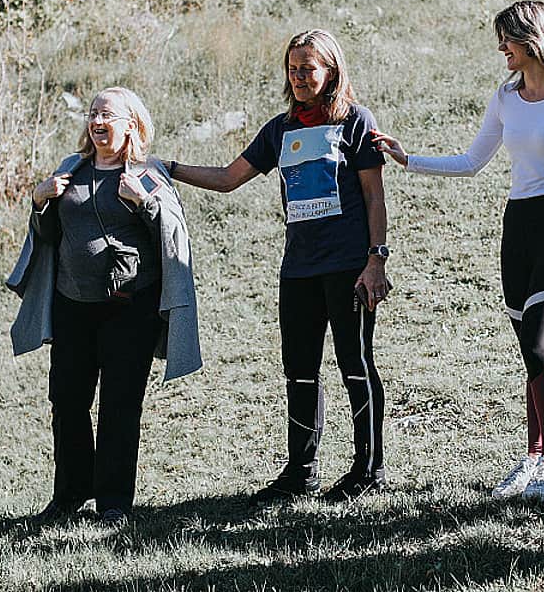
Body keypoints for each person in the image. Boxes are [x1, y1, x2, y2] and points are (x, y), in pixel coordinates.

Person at [374, 0, 544, 504]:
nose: (501, 48)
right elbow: (474, 161)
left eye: (508, 39)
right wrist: (407, 159)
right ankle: (533, 460)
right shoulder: (506, 97)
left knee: (542, 344)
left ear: (534, 40)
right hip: (517, 226)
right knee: (530, 352)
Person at [168, 29, 391, 505]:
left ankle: (367, 470)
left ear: (330, 71)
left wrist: (376, 260)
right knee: (300, 371)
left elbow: (374, 195)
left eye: (308, 68)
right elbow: (229, 179)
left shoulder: (355, 123)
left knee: (355, 364)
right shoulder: (279, 130)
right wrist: (170, 168)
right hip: (299, 270)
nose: (299, 76)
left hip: (349, 266)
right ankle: (300, 472)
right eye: (293, 68)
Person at [9, 86, 202, 527]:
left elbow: (172, 233)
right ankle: (70, 493)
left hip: (129, 308)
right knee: (67, 401)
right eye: (93, 114)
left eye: (107, 116)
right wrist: (39, 200)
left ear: (130, 125)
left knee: (119, 404)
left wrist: (145, 203)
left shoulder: (148, 173)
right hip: (72, 306)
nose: (97, 123)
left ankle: (113, 501)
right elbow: (45, 234)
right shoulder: (69, 169)